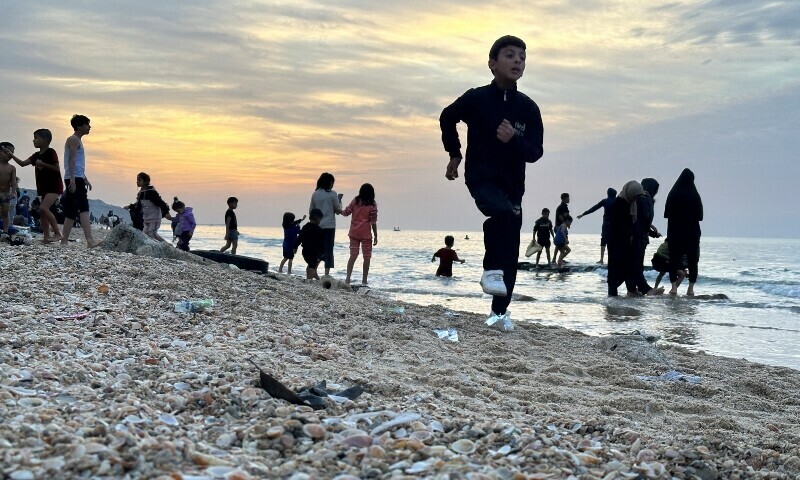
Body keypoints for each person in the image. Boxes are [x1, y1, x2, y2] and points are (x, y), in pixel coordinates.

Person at [439, 35, 544, 332]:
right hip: (481, 178)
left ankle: (499, 314)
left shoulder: (528, 108)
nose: (517, 61)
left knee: (510, 253)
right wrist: (455, 154)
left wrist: (515, 140)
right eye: (510, 55)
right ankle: (489, 270)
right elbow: (447, 117)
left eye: (522, 57)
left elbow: (535, 151)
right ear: (492, 64)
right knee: (502, 215)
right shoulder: (477, 99)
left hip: (513, 187)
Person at [60, 115, 100, 247]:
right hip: (74, 178)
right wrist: (73, 179)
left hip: (77, 177)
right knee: (81, 208)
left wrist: (85, 178)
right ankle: (88, 240)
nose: (90, 127)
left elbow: (77, 163)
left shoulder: (77, 140)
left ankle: (66, 240)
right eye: (87, 124)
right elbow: (71, 160)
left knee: (75, 209)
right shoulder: (73, 139)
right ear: (79, 126)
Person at [664, 168, 703, 296]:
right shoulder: (695, 195)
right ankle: (690, 288)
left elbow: (666, 214)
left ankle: (674, 287)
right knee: (693, 260)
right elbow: (700, 216)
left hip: (675, 232)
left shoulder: (672, 194)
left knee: (674, 259)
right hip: (692, 232)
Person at [606, 181, 645, 297]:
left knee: (626, 267)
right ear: (630, 193)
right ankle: (612, 300)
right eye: (635, 196)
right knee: (615, 269)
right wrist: (629, 235)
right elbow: (619, 226)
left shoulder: (629, 203)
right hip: (617, 242)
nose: (636, 199)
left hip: (624, 242)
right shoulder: (618, 205)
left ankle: (629, 292)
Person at [627, 178, 664, 295]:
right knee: (637, 263)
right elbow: (645, 219)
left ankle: (632, 289)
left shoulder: (637, 198)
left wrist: (651, 231)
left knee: (632, 263)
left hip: (631, 235)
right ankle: (646, 289)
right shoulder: (646, 198)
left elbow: (637, 218)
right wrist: (652, 232)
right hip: (639, 236)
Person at [341, 183, 379, 286]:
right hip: (366, 234)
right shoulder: (372, 205)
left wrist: (338, 206)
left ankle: (347, 279)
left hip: (354, 232)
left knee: (353, 255)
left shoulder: (355, 201)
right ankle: (364, 281)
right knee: (366, 257)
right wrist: (375, 235)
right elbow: (373, 221)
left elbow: (346, 212)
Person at [309, 172, 342, 276]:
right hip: (329, 226)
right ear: (330, 182)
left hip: (317, 226)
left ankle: (312, 270)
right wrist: (340, 201)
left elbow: (311, 210)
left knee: (318, 249)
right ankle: (326, 274)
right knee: (328, 250)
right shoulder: (333, 194)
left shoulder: (315, 194)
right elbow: (337, 210)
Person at [577, 187, 617, 263]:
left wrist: (583, 214)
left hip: (606, 223)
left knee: (604, 239)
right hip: (615, 224)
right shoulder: (618, 201)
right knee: (613, 240)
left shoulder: (605, 201)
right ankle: (612, 259)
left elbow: (594, 208)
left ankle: (601, 259)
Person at [135, 172, 170, 242]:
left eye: (139, 180)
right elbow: (139, 205)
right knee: (144, 234)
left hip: (154, 217)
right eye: (137, 180)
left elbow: (160, 202)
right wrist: (131, 207)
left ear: (145, 181)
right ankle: (150, 247)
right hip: (146, 217)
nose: (137, 182)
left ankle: (167, 246)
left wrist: (166, 212)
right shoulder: (141, 193)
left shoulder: (151, 192)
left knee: (152, 234)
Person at [296, 208, 325, 280]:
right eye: (320, 220)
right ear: (317, 219)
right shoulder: (319, 230)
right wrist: (323, 252)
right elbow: (322, 243)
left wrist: (295, 246)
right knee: (312, 266)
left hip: (305, 251)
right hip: (314, 252)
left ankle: (313, 277)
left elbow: (300, 238)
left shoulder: (305, 227)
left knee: (310, 264)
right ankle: (309, 280)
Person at [0, 142, 17, 236]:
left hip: (6, 193)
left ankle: (5, 231)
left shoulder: (11, 168)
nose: (11, 155)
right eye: (9, 152)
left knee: (5, 212)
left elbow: (13, 182)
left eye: (12, 153)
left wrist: (13, 192)